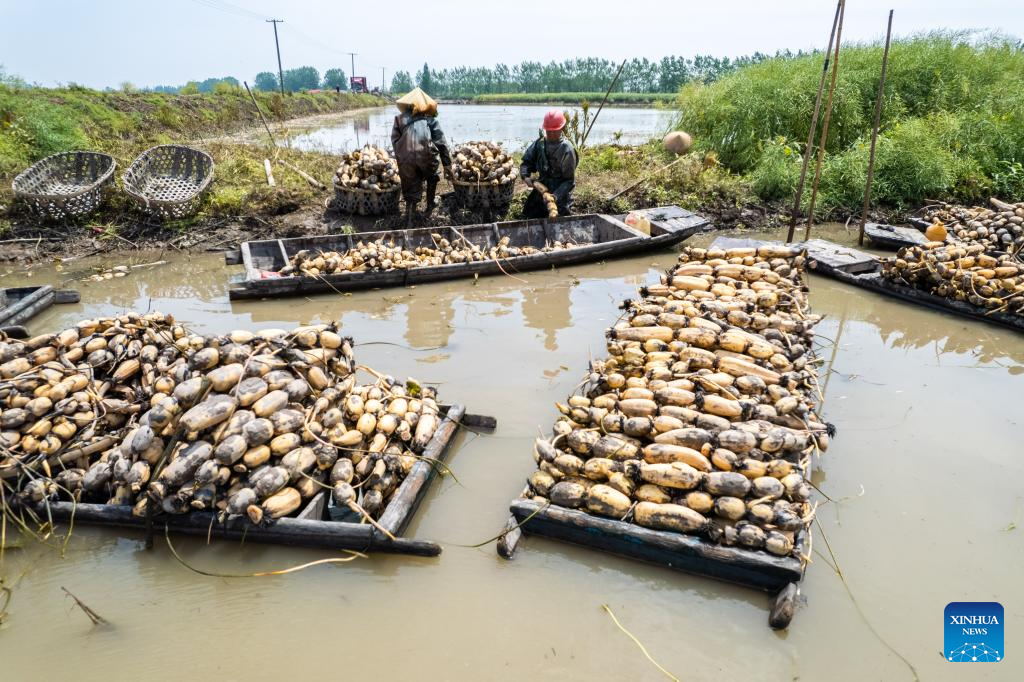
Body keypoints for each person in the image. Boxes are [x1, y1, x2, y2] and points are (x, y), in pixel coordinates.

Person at [391, 87, 453, 226]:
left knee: (409, 180)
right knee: (432, 176)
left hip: (405, 157)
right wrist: (447, 165)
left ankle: (410, 211)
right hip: (426, 156)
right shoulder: (430, 120)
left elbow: (395, 141)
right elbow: (441, 144)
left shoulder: (399, 119)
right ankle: (430, 205)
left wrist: (401, 156)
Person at [520, 110, 578, 218]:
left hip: (560, 192)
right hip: (542, 187)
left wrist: (554, 196)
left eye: (554, 131)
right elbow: (526, 162)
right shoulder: (539, 144)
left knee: (558, 220)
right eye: (548, 131)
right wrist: (525, 176)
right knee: (527, 215)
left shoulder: (567, 150)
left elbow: (569, 181)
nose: (551, 134)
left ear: (562, 128)